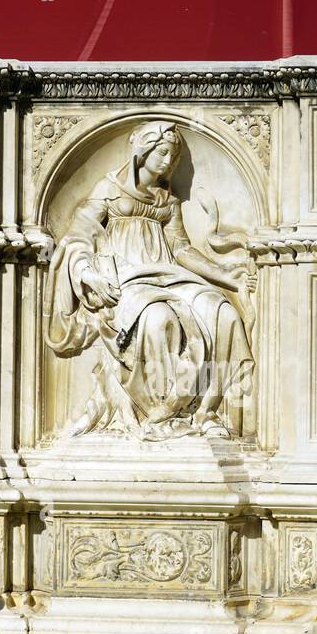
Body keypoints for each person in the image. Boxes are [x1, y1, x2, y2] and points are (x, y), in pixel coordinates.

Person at [44, 120, 253, 439]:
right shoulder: (109, 189)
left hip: (169, 276)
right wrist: (88, 274)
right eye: (163, 153)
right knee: (159, 319)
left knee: (224, 313)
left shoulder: (167, 201)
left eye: (174, 156)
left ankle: (206, 412)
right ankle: (163, 413)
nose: (168, 162)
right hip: (127, 281)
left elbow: (182, 250)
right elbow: (77, 238)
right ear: (143, 149)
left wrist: (227, 277)